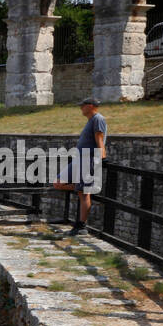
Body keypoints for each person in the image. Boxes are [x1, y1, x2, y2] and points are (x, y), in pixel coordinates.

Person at [55, 97, 107, 233]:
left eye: (82, 105)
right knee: (58, 182)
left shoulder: (98, 119)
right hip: (80, 159)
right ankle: (83, 186)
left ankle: (81, 225)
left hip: (88, 158)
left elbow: (99, 138)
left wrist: (102, 155)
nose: (80, 108)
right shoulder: (91, 120)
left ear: (90, 106)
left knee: (84, 194)